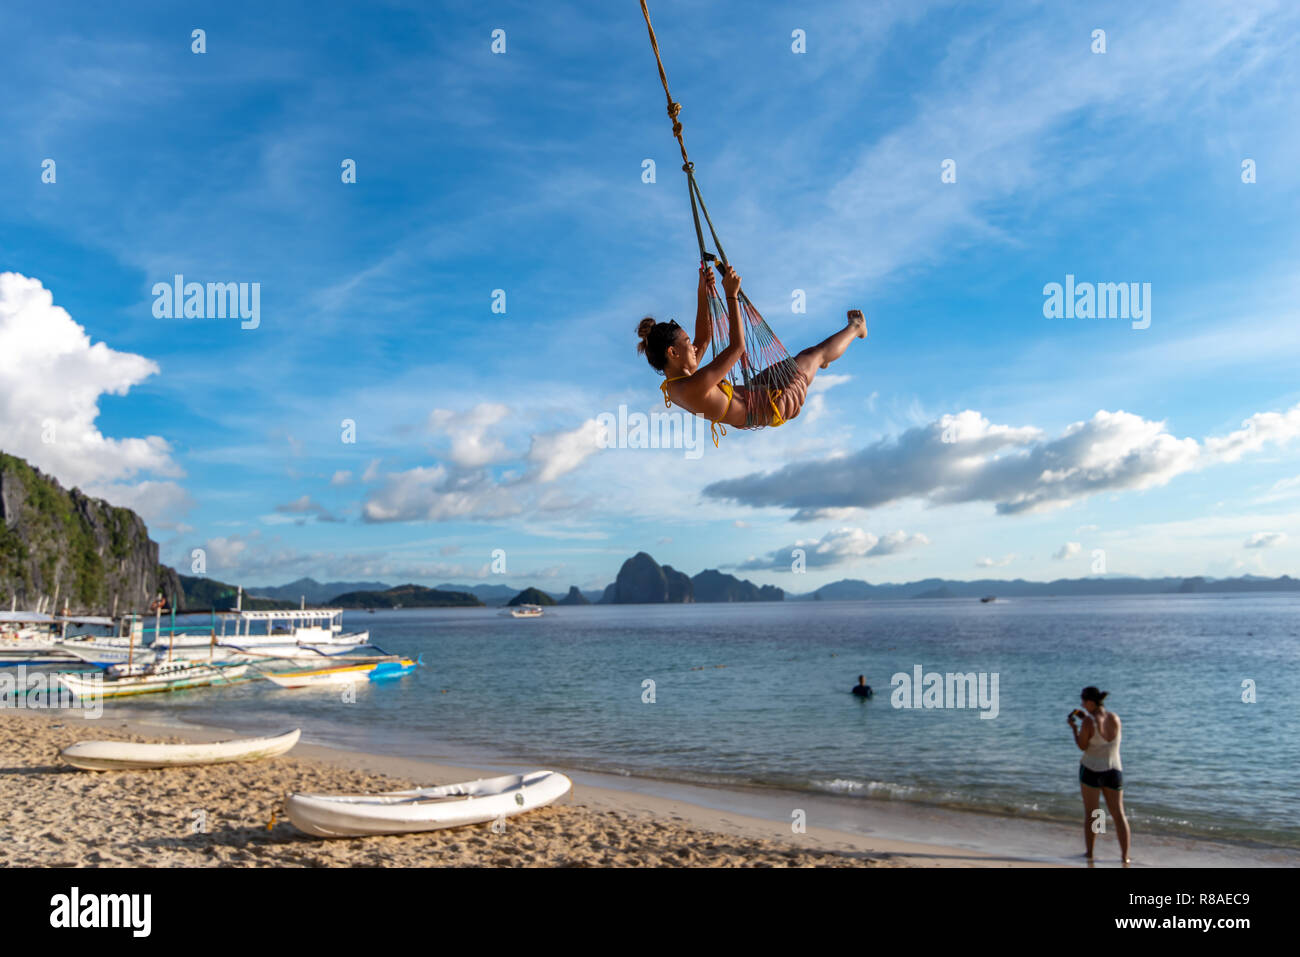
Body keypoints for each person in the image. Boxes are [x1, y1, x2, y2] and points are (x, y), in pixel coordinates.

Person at [638, 263, 866, 443]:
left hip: (757, 390)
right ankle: (856, 328)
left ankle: (819, 364)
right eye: (687, 343)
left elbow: (704, 338)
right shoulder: (691, 387)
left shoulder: (678, 378)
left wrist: (703, 289)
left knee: (806, 359)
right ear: (673, 352)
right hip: (774, 406)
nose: (694, 347)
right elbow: (737, 348)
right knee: (815, 354)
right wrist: (731, 295)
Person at [1068, 686, 1131, 863]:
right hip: (1114, 770)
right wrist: (1085, 719)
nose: (1081, 704)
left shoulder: (1088, 721)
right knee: (1119, 814)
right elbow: (1103, 736)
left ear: (1090, 702)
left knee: (1093, 813)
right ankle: (1124, 856)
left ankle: (1090, 853)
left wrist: (1074, 728)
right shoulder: (1115, 718)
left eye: (1083, 701)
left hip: (1092, 770)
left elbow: (1082, 745)